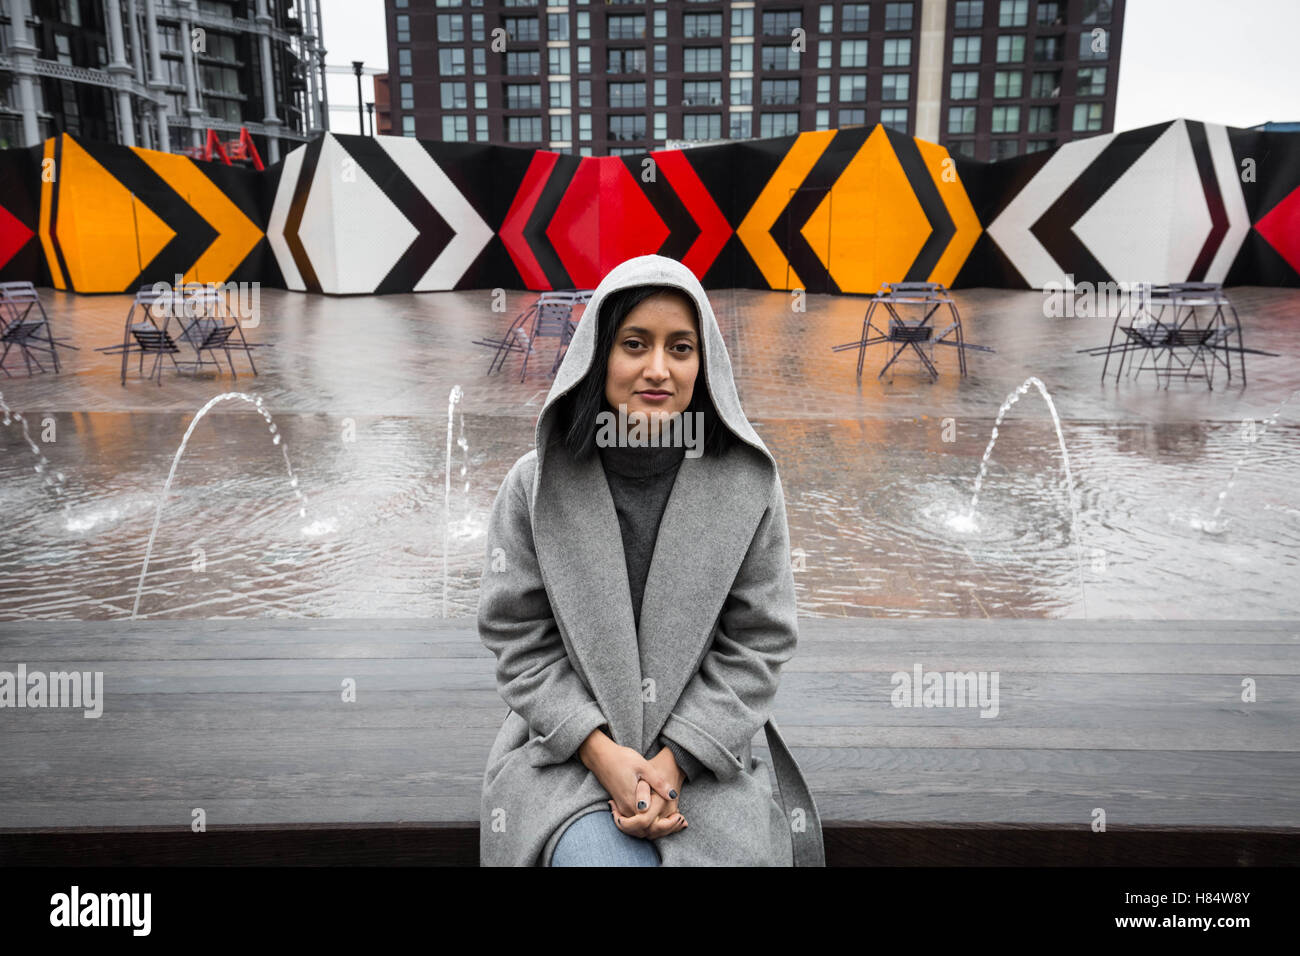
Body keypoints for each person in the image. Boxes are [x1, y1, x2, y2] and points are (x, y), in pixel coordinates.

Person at [477, 254, 824, 867]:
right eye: (634, 344)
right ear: (597, 355)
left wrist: (676, 761)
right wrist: (601, 753)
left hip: (707, 758)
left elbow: (759, 641)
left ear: (704, 362)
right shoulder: (532, 488)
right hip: (568, 754)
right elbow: (518, 636)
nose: (657, 369)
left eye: (681, 348)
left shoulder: (749, 488)